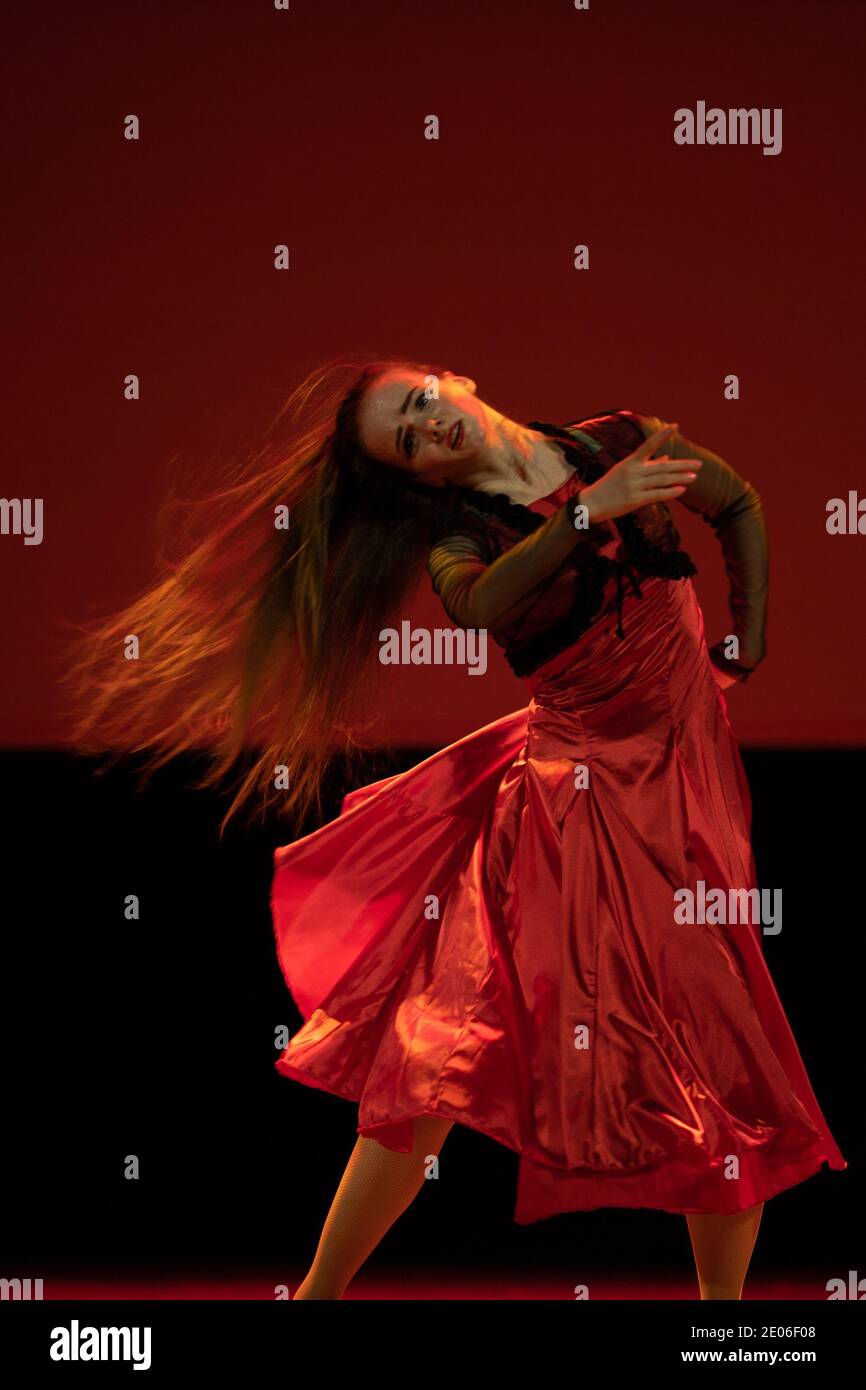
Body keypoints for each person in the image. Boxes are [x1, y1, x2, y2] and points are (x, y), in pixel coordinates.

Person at [67, 355, 846, 1301]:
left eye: (421, 404)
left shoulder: (615, 439)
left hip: (685, 774)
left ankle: (725, 1326)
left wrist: (750, 636)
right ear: (416, 477)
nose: (427, 428)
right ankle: (316, 1299)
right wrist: (587, 514)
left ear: (454, 380)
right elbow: (482, 603)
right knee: (439, 1046)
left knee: (717, 1035)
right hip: (573, 798)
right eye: (405, 440)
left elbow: (739, 502)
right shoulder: (460, 539)